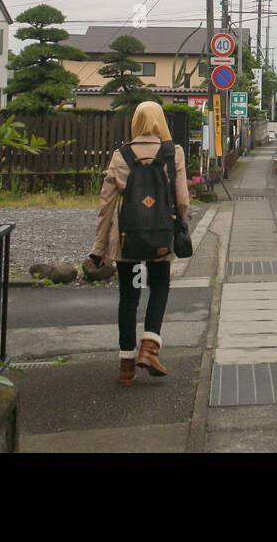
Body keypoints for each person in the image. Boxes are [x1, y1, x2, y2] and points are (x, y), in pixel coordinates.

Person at [89, 100, 190, 386]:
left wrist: (98, 249)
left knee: (129, 297)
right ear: (160, 121)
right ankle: (150, 346)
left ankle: (126, 367)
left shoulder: (120, 155)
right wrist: (181, 225)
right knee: (159, 286)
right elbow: (182, 201)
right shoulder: (174, 153)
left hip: (127, 240)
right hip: (159, 236)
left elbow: (106, 205)